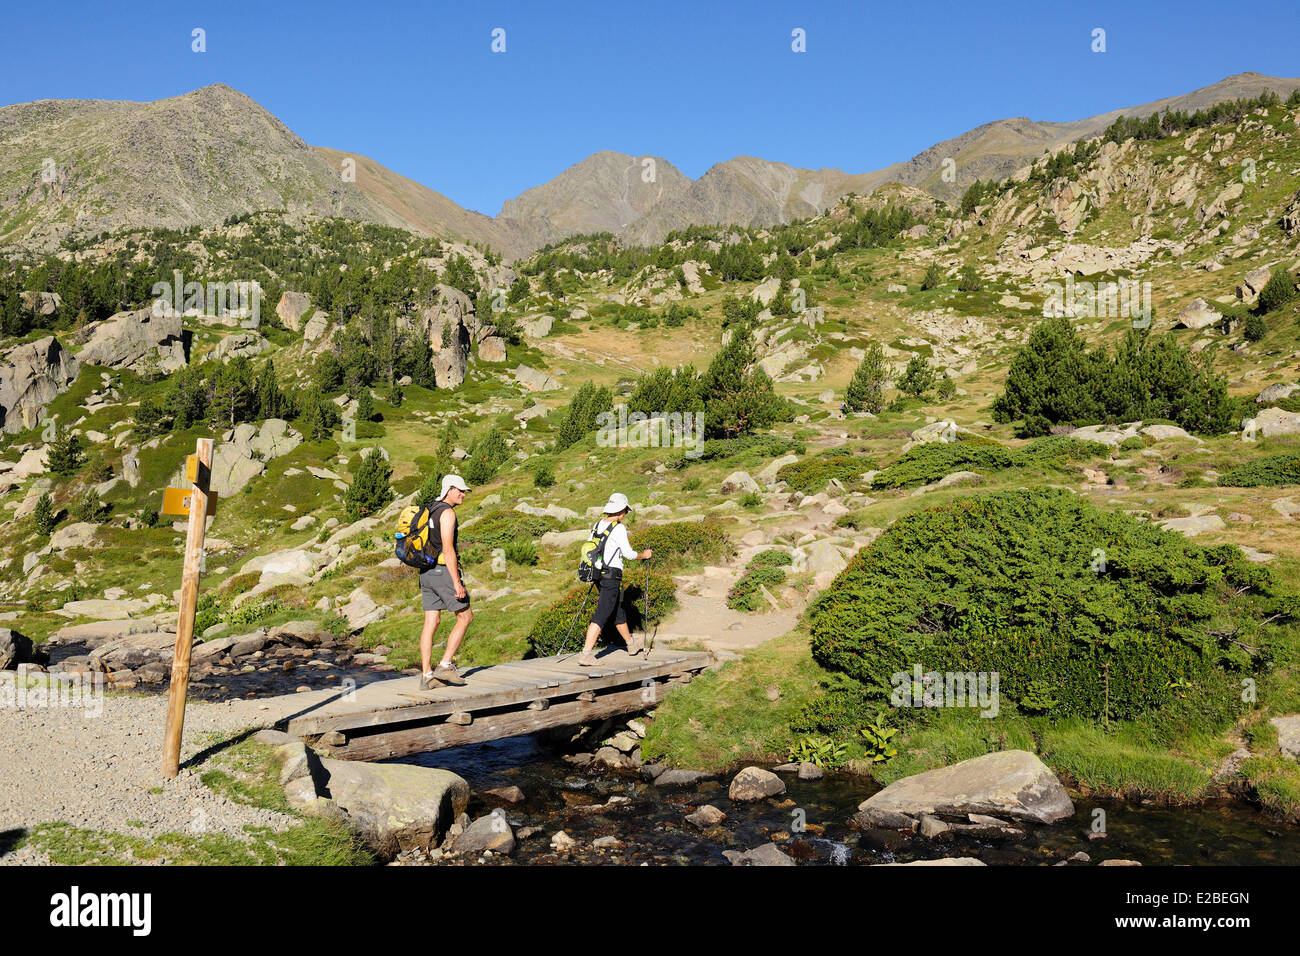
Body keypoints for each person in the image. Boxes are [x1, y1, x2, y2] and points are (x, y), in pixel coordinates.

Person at [576, 492, 652, 667]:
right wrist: (644, 555)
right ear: (620, 510)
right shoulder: (618, 528)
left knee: (617, 611)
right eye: (625, 510)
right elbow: (629, 554)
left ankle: (631, 645)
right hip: (612, 576)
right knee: (602, 613)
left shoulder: (597, 525)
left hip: (598, 575)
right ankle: (586, 654)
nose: (625, 514)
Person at [418, 474, 473, 688]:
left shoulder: (431, 508)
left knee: (431, 622)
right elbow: (448, 550)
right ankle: (445, 665)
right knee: (466, 616)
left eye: (463, 490)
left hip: (426, 572)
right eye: (459, 490)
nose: (463, 494)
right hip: (442, 571)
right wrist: (457, 583)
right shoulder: (447, 513)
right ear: (448, 489)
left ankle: (426, 676)